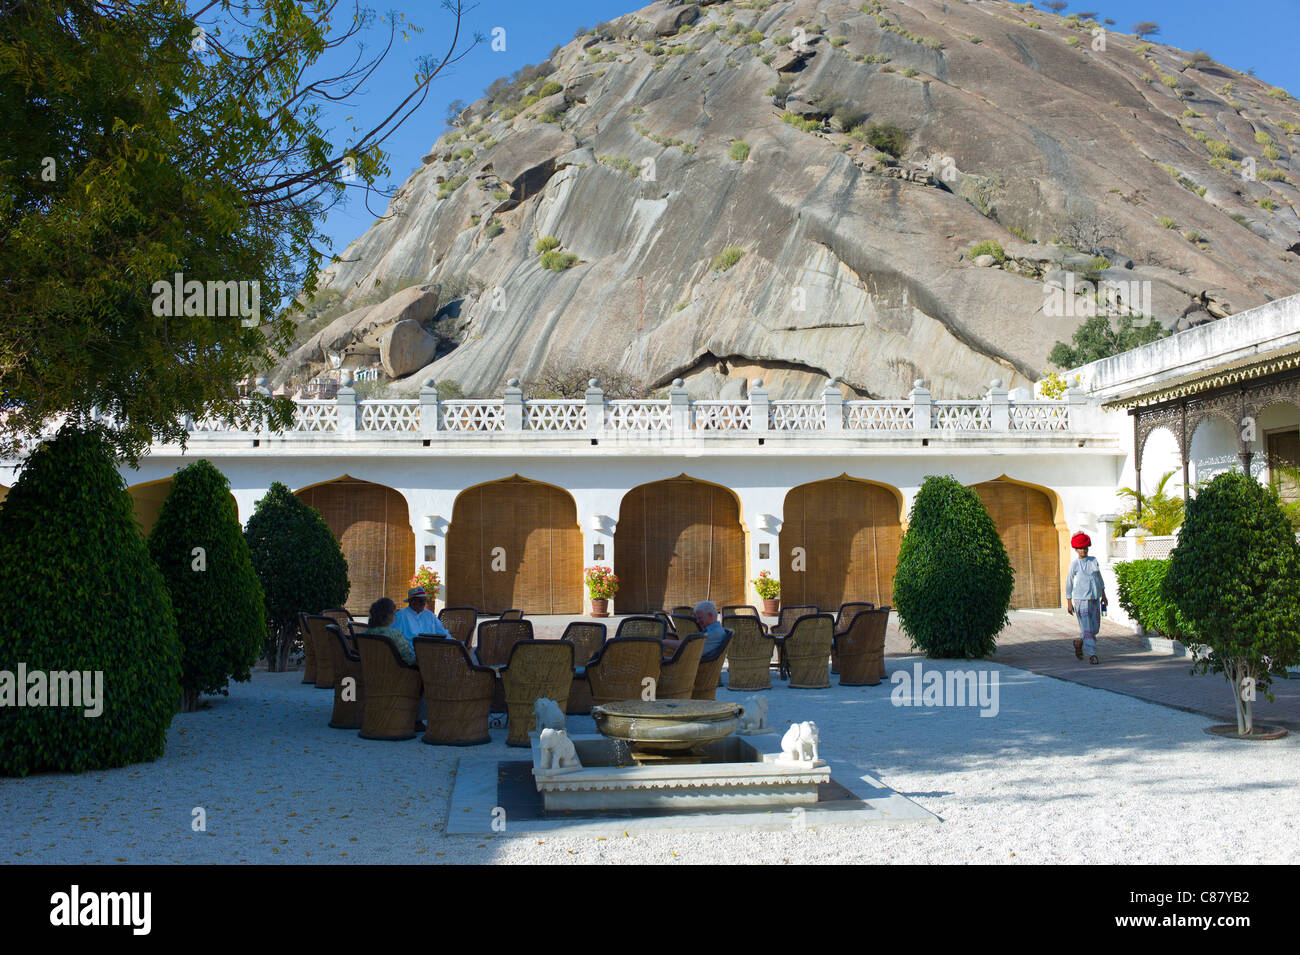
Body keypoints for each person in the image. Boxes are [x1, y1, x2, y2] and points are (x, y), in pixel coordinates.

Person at [1066, 532, 1107, 664]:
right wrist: (1069, 602)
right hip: (1080, 600)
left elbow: (1099, 579)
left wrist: (1104, 595)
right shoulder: (1075, 564)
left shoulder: (1093, 561)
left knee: (1094, 629)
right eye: (1081, 548)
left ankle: (1079, 642)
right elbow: (1069, 582)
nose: (1083, 551)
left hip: (1094, 598)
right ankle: (1092, 654)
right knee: (1087, 628)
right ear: (1076, 550)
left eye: (1085, 548)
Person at [663, 600, 729, 657]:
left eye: (700, 618)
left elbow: (686, 646)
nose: (697, 621)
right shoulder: (714, 630)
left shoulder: (714, 633)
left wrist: (662, 642)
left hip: (697, 667)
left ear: (710, 615)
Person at [365, 597, 415, 665]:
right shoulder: (395, 635)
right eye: (395, 613)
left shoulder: (365, 634)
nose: (395, 615)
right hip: (396, 672)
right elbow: (410, 658)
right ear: (389, 615)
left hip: (371, 670)